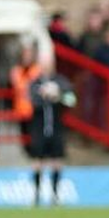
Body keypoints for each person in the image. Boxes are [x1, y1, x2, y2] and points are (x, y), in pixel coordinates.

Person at [28, 72, 76, 206]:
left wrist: (58, 96)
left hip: (57, 129)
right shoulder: (35, 83)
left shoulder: (62, 82)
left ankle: (55, 194)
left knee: (57, 162)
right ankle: (36, 194)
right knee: (37, 162)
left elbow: (71, 100)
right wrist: (44, 95)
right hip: (39, 129)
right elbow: (31, 100)